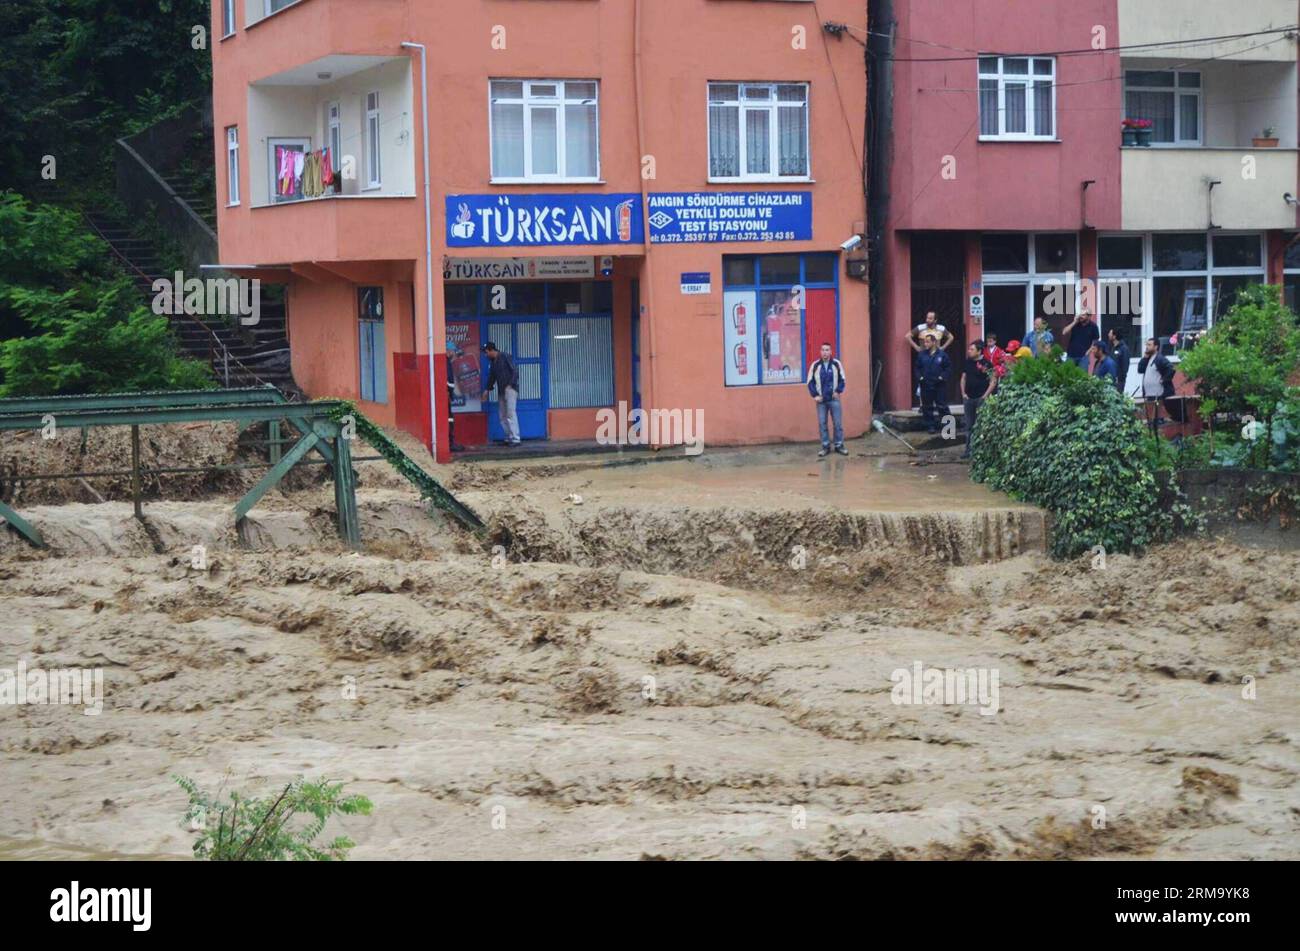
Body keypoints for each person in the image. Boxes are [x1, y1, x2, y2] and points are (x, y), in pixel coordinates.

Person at [806, 342, 848, 458]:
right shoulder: (815, 365)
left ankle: (839, 445)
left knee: (838, 424)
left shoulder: (836, 364)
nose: (825, 352)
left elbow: (842, 379)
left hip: (834, 400)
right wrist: (815, 395)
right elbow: (810, 382)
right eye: (823, 350)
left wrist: (838, 391)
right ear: (820, 352)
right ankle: (825, 447)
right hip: (821, 401)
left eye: (827, 350)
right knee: (822, 424)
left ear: (831, 352)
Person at [482, 341, 521, 446]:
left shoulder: (504, 356)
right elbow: (492, 377)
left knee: (510, 413)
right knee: (502, 415)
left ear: (491, 350)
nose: (485, 355)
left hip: (510, 389)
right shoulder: (493, 362)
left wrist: (510, 385)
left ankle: (516, 438)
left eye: (486, 352)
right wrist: (487, 390)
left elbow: (515, 370)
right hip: (501, 391)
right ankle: (509, 437)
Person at [960, 340, 995, 459]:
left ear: (979, 351)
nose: (969, 351)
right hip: (969, 398)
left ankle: (980, 451)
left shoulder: (987, 364)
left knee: (980, 425)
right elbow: (963, 378)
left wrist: (985, 396)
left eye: (972, 349)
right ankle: (968, 450)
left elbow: (993, 381)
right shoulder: (967, 362)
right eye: (969, 349)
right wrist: (963, 393)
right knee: (969, 425)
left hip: (981, 398)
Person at [1136, 336, 1177, 436]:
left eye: (1149, 345)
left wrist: (1164, 380)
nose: (1147, 347)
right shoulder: (1149, 359)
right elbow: (1140, 369)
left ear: (1156, 347)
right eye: (1147, 345)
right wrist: (1145, 357)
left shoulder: (1160, 359)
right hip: (1149, 394)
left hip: (1158, 393)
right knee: (1150, 417)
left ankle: (1159, 436)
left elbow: (1171, 369)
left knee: (1158, 418)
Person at [915, 333, 952, 434]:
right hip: (926, 384)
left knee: (942, 406)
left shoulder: (942, 355)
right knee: (927, 407)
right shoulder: (921, 355)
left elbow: (948, 368)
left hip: (939, 385)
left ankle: (949, 428)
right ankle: (930, 426)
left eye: (927, 342)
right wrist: (920, 378)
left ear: (934, 342)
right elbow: (917, 368)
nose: (925, 344)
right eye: (924, 342)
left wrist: (942, 377)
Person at [1107, 328, 1131, 394]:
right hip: (1110, 379)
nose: (1108, 335)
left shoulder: (1124, 348)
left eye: (1110, 333)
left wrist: (1120, 378)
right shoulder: (1111, 347)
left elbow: (1125, 365)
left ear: (1114, 336)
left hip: (1119, 380)